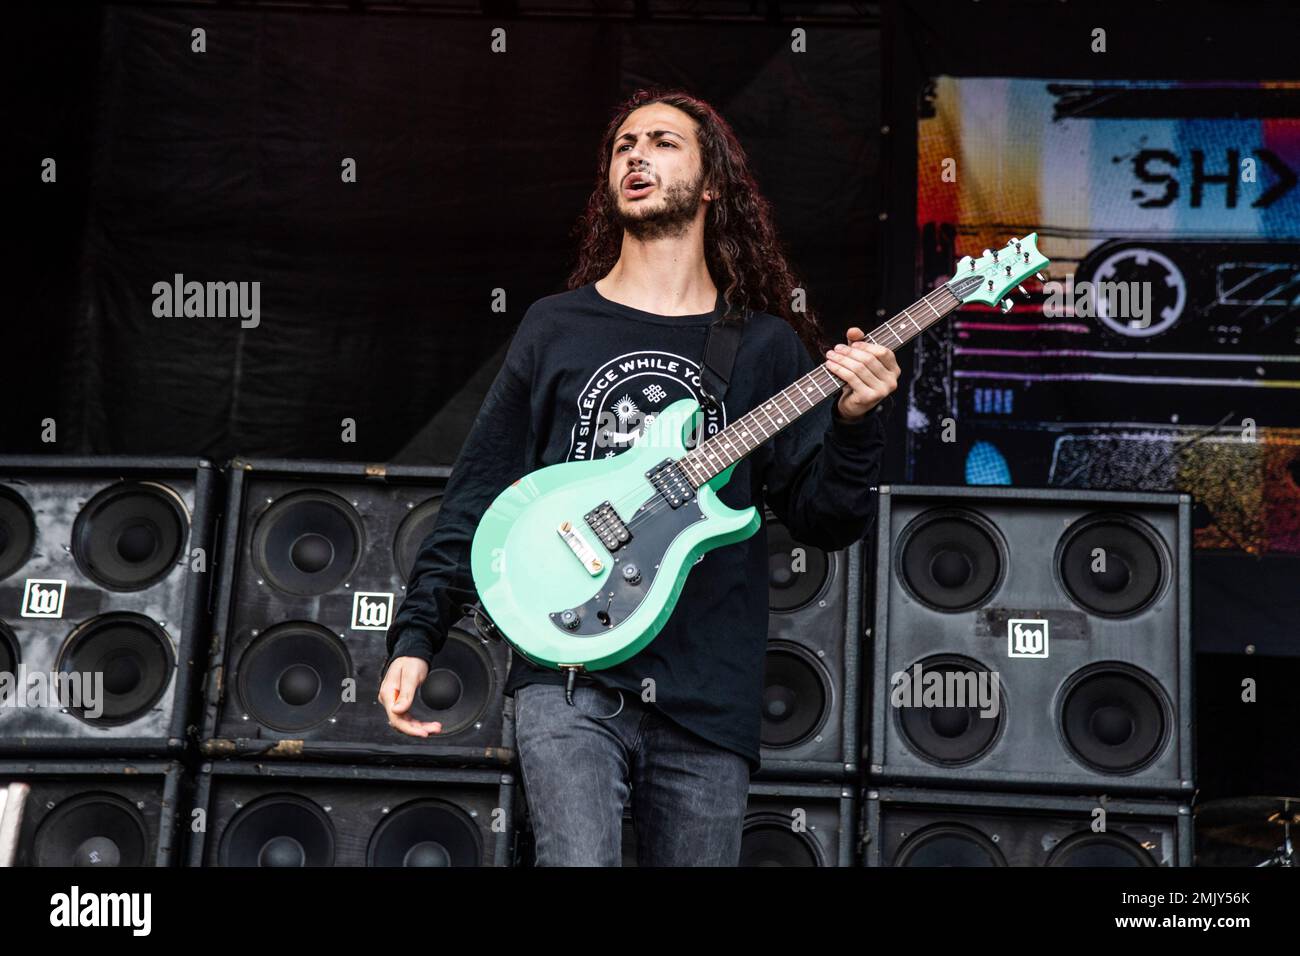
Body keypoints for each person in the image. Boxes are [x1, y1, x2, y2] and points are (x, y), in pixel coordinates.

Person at [378, 88, 898, 866]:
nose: (636, 156)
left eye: (662, 142)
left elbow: (826, 519)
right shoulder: (555, 326)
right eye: (623, 145)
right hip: (567, 670)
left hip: (707, 691)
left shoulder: (761, 348)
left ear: (712, 180)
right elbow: (481, 491)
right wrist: (419, 634)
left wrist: (857, 426)